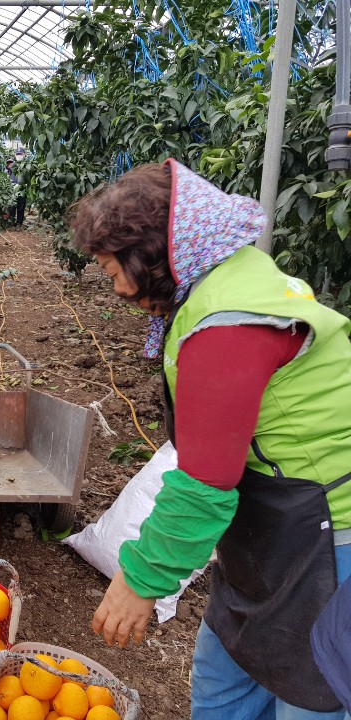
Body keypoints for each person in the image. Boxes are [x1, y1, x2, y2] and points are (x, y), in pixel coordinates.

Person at [71, 159, 351, 720]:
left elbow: (204, 483)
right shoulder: (230, 275)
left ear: (150, 254)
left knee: (310, 693)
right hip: (272, 521)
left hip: (325, 541)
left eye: (112, 272)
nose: (117, 290)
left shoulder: (227, 325)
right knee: (225, 682)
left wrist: (141, 579)